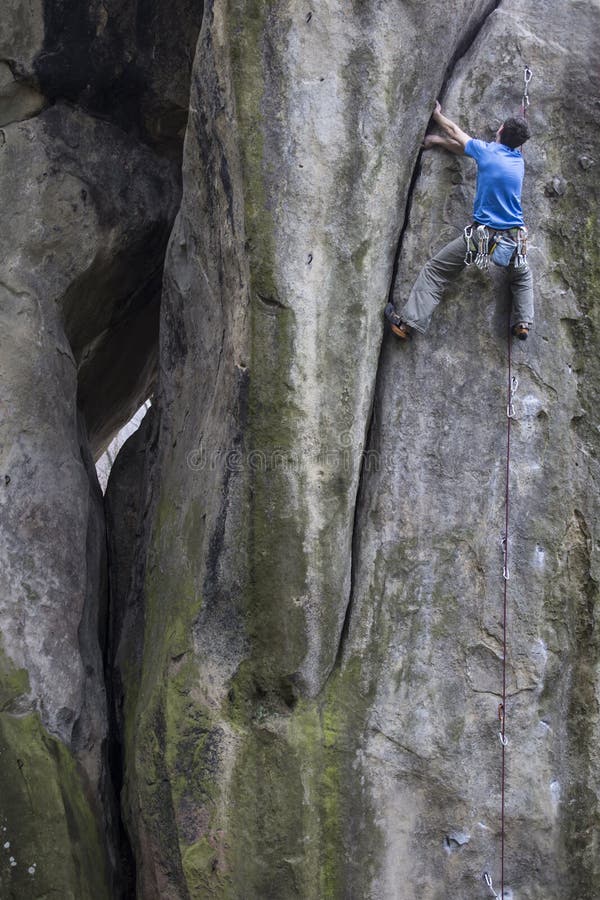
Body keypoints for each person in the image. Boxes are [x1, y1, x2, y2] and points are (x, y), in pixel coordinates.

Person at [385, 101, 533, 340]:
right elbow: (468, 149)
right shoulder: (518, 161)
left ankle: (407, 324)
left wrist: (437, 115)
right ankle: (523, 323)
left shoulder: (486, 151)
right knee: (522, 276)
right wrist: (438, 142)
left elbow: (456, 133)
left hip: (482, 237)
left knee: (435, 271)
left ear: (500, 130)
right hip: (514, 237)